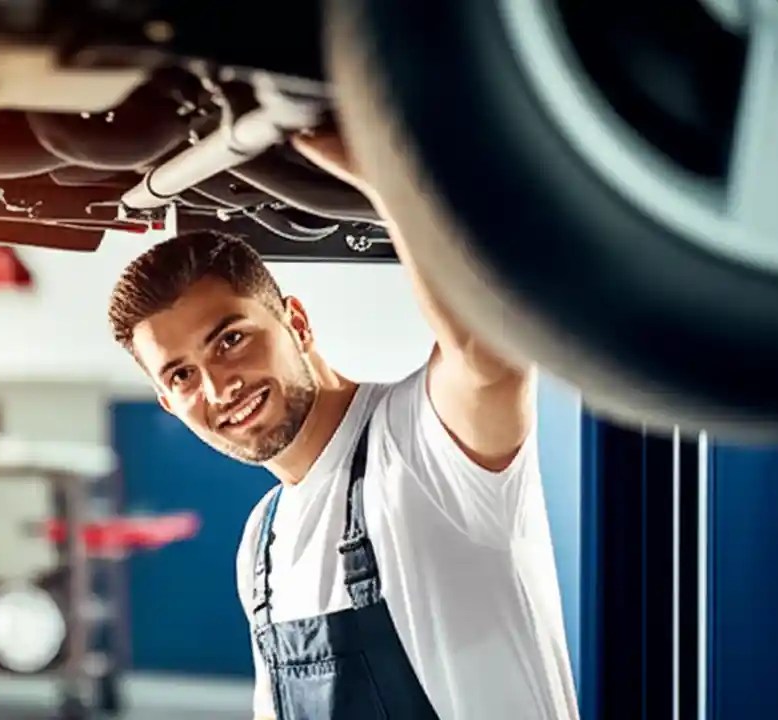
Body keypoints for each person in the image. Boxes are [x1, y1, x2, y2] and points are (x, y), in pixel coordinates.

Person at [105, 131, 578, 720]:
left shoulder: (420, 442)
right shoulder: (262, 545)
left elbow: (489, 356)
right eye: (182, 375)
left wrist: (389, 177)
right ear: (167, 403)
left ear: (297, 323)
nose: (219, 388)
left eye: (231, 340)